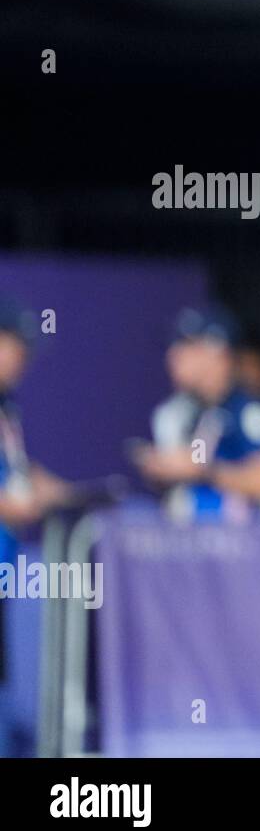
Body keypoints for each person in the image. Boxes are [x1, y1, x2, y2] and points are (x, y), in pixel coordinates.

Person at [0, 298, 74, 757]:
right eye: (15, 346)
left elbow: (21, 474)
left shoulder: (7, 408)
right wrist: (15, 505)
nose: (22, 359)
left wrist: (75, 494)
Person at [134, 306, 260, 523]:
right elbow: (195, 463)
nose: (173, 355)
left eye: (187, 346)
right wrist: (163, 467)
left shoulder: (247, 410)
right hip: (194, 540)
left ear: (217, 352)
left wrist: (203, 472)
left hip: (245, 543)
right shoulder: (181, 413)